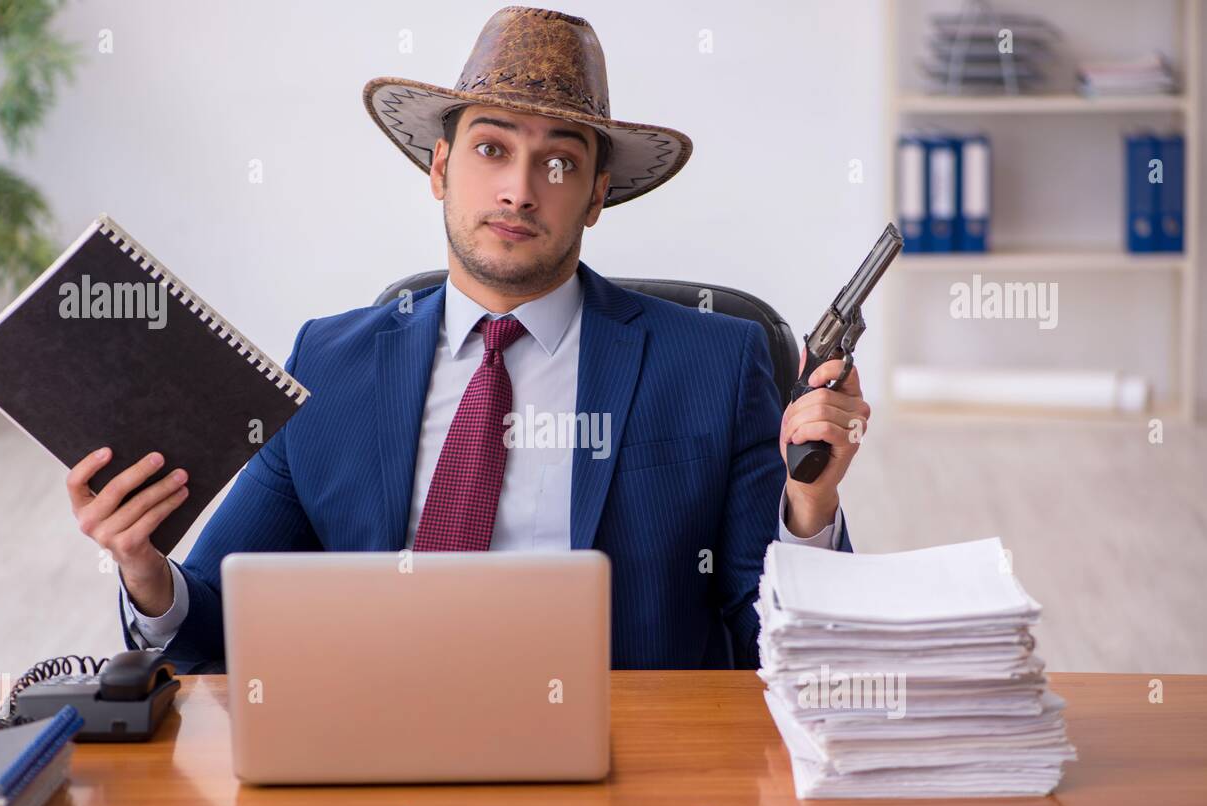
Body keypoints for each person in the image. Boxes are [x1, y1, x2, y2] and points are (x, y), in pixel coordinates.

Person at [65, 7, 870, 673]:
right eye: (492, 149)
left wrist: (810, 506)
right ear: (440, 166)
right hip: (383, 764)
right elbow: (213, 628)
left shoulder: (715, 367)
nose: (521, 188)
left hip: (630, 780)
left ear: (596, 196)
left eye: (559, 163)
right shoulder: (331, 367)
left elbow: (787, 650)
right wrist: (143, 569)